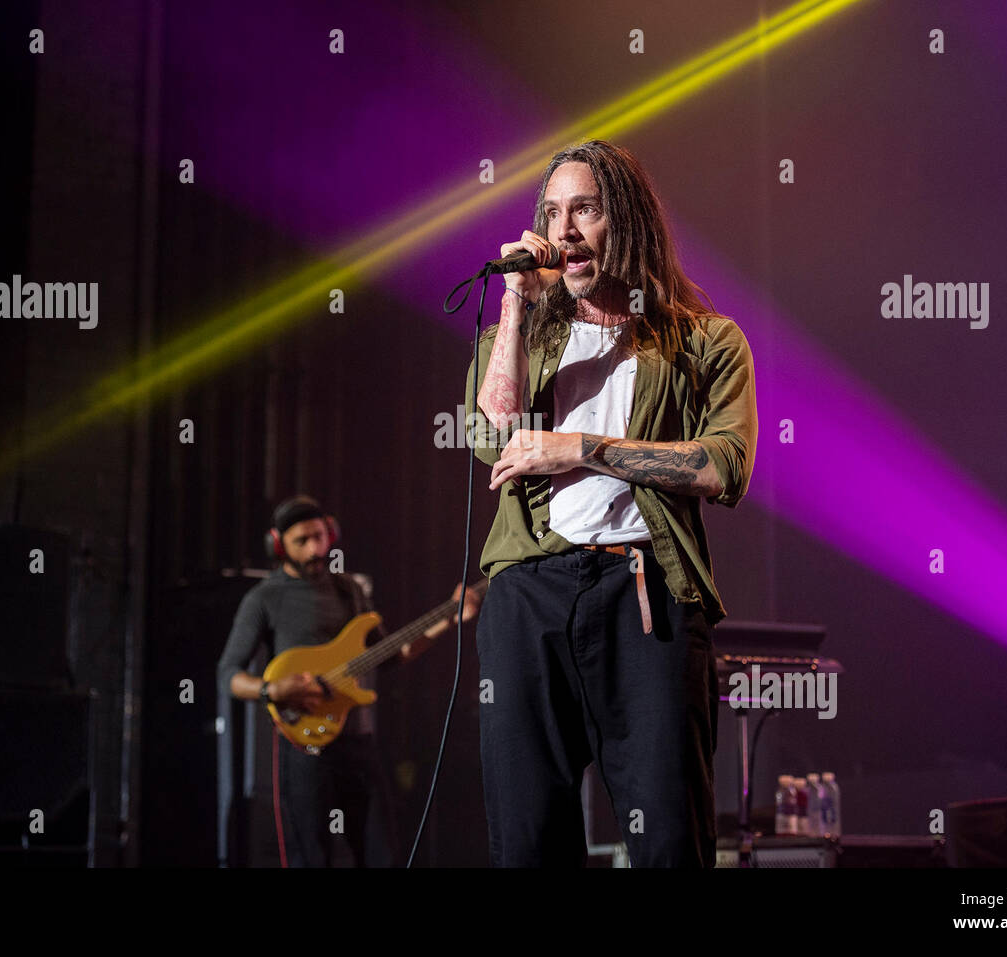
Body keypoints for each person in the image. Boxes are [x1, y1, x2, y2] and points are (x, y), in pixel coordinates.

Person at [466, 140, 758, 867]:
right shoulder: (521, 336)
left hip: (646, 593)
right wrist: (514, 301)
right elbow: (489, 433)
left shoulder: (705, 342)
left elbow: (723, 465)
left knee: (667, 836)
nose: (564, 230)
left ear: (623, 222)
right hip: (528, 597)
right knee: (528, 841)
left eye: (585, 210)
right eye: (552, 213)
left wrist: (580, 447)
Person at [217, 494, 478, 867]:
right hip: (305, 747)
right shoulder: (264, 598)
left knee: (382, 855)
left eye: (320, 537)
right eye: (302, 541)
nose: (314, 549)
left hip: (359, 742)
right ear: (278, 545)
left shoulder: (350, 590)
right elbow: (228, 673)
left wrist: (448, 619)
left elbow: (391, 655)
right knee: (312, 858)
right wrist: (270, 690)